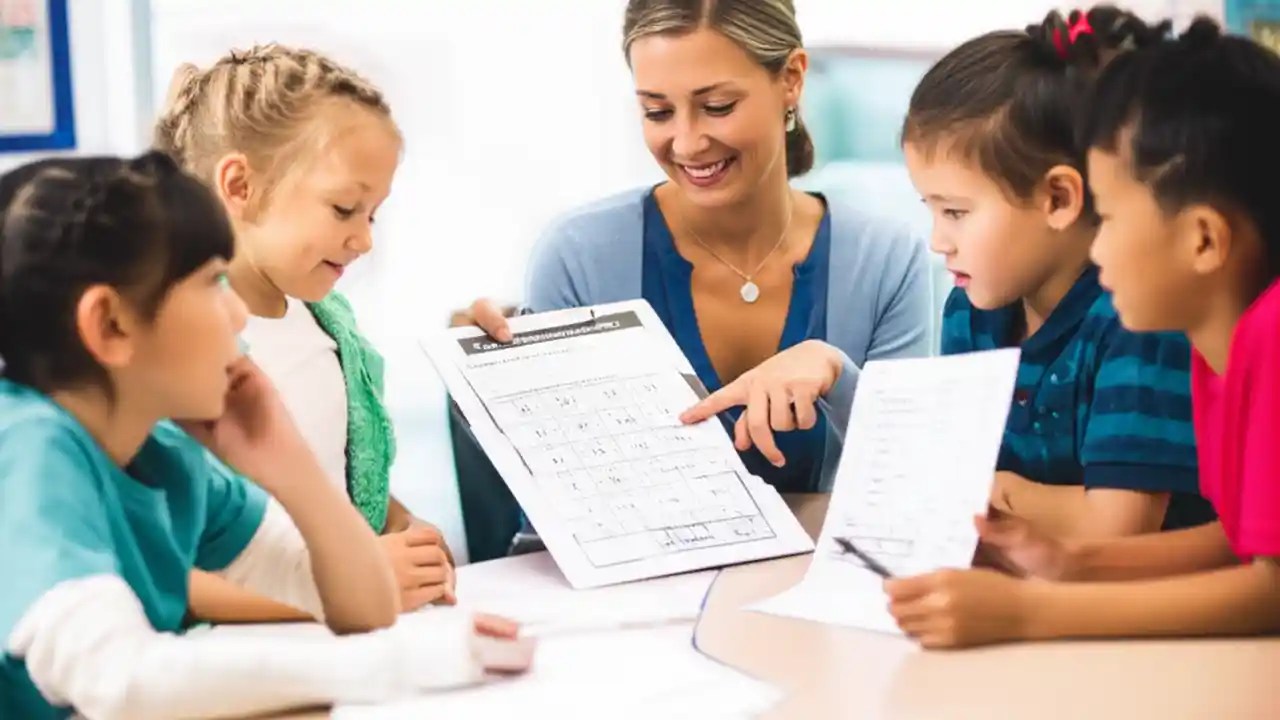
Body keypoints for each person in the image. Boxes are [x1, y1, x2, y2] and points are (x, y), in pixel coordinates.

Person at [0, 154, 530, 719]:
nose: (236, 314)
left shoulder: (163, 456)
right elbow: (122, 681)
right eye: (211, 284)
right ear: (110, 325)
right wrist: (401, 662)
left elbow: (366, 607)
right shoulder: (26, 450)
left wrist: (290, 464)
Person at [688, 5, 1215, 540]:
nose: (938, 241)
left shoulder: (1138, 319)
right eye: (930, 209)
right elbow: (942, 476)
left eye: (956, 213)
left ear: (1058, 198)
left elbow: (1117, 525)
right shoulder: (971, 310)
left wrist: (987, 492)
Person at [883, 17, 1280, 649]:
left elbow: (1270, 589)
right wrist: (1068, 565)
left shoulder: (1260, 341)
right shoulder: (1219, 347)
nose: (1101, 242)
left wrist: (1026, 614)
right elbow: (1241, 541)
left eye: (1113, 216)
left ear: (1203, 238)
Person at [466, 0, 933, 509]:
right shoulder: (578, 255)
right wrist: (495, 389)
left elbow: (912, 489)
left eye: (717, 107)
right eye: (658, 112)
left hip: (820, 580)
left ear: (792, 79)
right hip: (638, 585)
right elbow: (555, 507)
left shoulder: (885, 259)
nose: (686, 143)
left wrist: (836, 373)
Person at [152, 44, 455, 619]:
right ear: (239, 186)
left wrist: (402, 527)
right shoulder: (173, 355)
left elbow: (335, 476)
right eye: (344, 209)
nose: (365, 240)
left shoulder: (328, 325)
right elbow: (166, 571)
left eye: (374, 214)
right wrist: (351, 581)